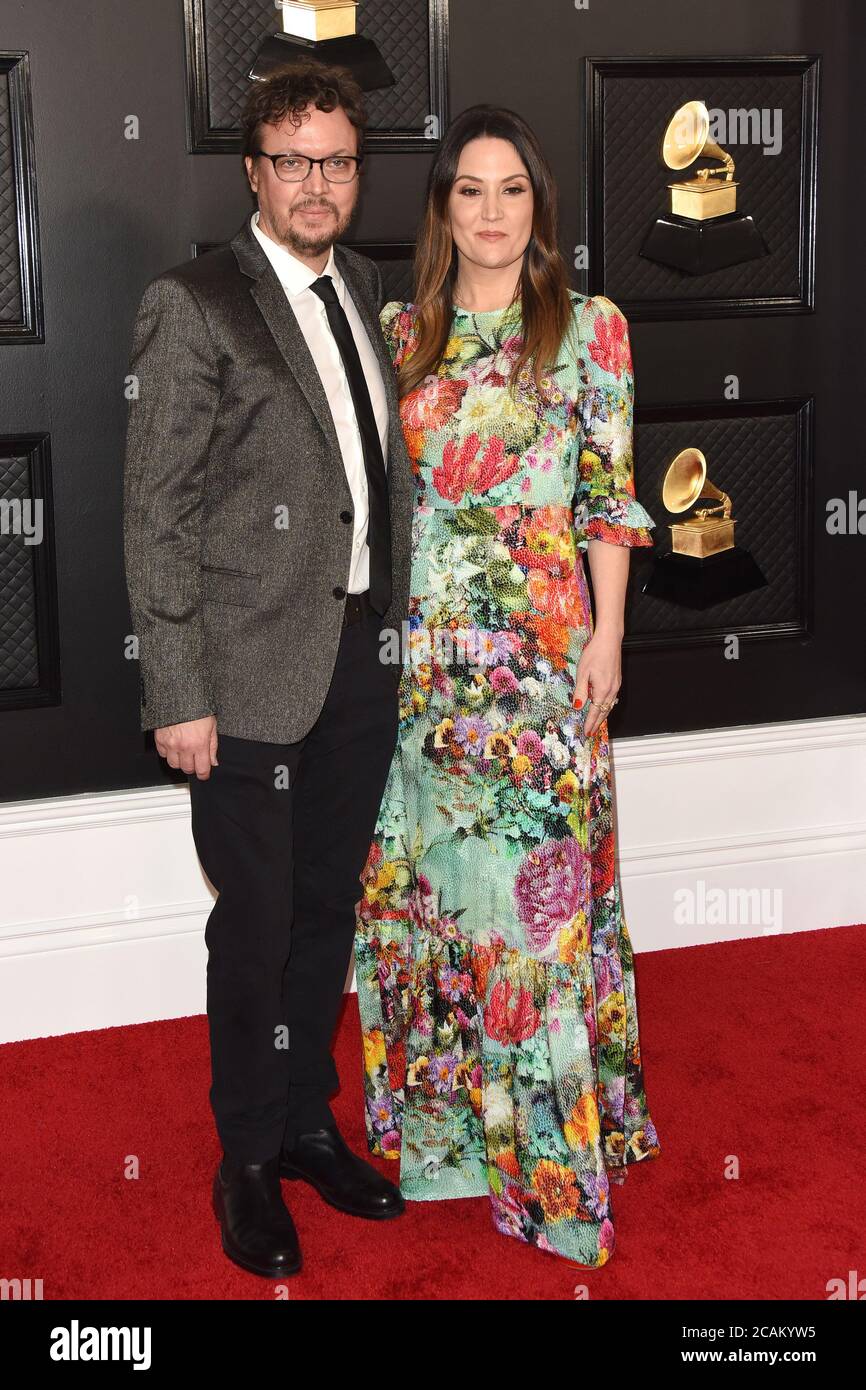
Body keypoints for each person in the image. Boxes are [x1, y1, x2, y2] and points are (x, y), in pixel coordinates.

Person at [354, 104, 662, 1267]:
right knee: (437, 904)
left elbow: (608, 498)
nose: (489, 212)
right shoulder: (399, 334)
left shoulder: (589, 330)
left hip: (541, 668)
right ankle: (443, 1143)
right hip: (429, 673)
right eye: (467, 191)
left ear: (539, 208)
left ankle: (547, 1175)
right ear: (441, 208)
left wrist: (607, 637)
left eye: (511, 190)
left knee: (535, 913)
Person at [122, 60, 414, 1279]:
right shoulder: (194, 304)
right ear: (253, 171)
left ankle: (305, 1123)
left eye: (336, 160)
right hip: (239, 680)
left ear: (356, 172)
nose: (315, 182)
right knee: (254, 927)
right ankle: (245, 1157)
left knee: (323, 909)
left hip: (357, 659)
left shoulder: (368, 289)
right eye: (292, 159)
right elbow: (157, 511)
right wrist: (176, 690)